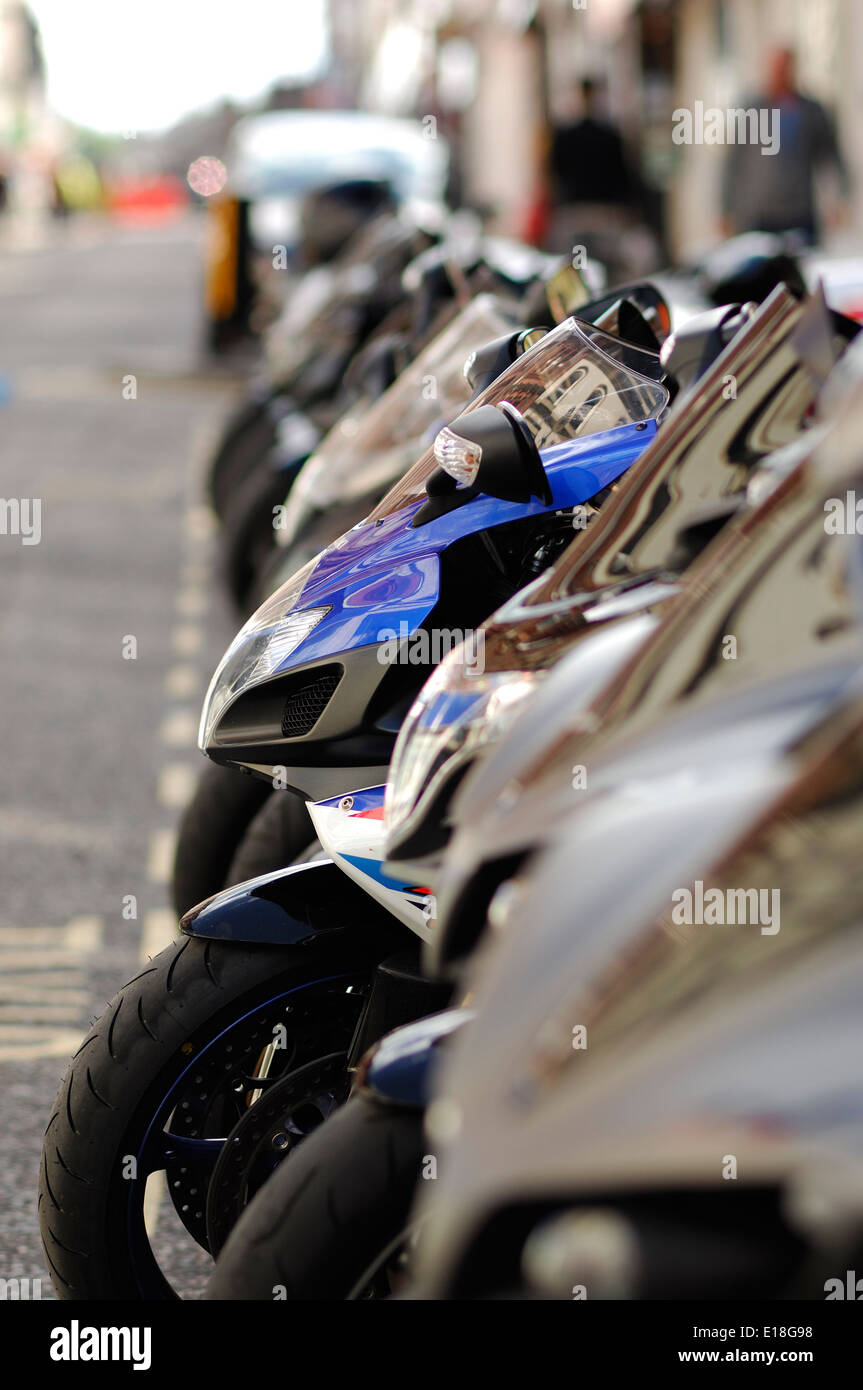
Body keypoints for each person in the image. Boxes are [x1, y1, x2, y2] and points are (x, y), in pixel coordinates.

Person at [720, 47, 849, 246]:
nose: (779, 74)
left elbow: (831, 156)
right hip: (760, 213)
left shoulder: (811, 111)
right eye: (775, 68)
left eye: (784, 68)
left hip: (800, 211)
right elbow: (733, 163)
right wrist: (725, 208)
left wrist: (838, 197)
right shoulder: (752, 111)